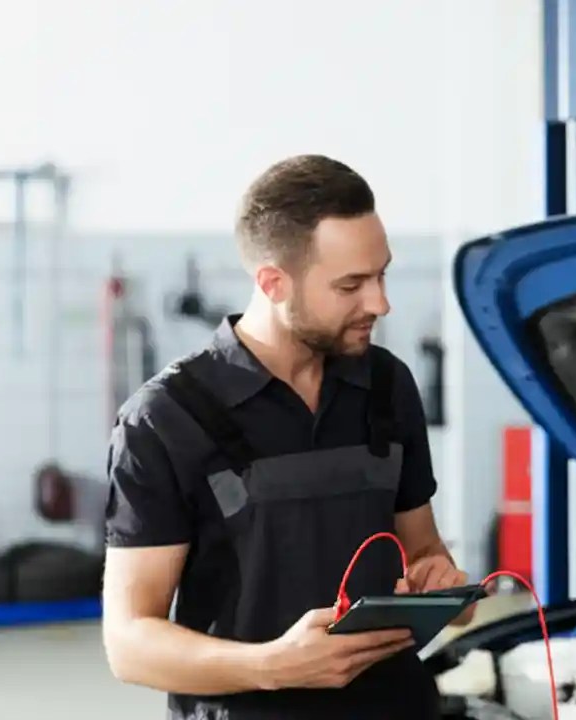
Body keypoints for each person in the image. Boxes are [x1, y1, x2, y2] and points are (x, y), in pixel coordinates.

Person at [100, 155, 472, 719]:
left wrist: (440, 587)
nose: (379, 303)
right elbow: (129, 644)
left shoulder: (386, 385)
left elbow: (423, 551)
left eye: (381, 275)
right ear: (273, 283)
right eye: (350, 285)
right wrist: (273, 666)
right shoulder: (165, 419)